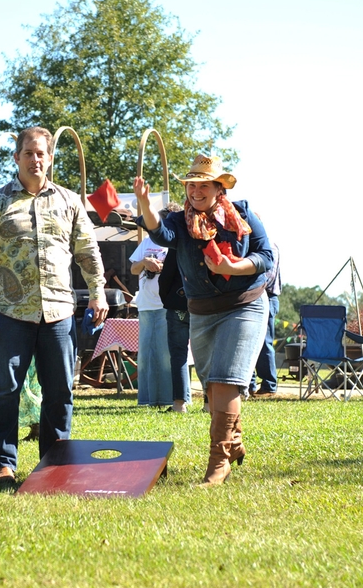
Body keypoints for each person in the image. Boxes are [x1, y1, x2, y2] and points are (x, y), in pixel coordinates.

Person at [0, 126, 108, 487]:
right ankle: (4, 465)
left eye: (42, 153)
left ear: (50, 157)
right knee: (4, 390)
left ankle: (54, 464)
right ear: (17, 158)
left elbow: (88, 251)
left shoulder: (70, 202)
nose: (35, 159)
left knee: (60, 391)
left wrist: (98, 292)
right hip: (10, 313)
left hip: (58, 312)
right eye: (29, 153)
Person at [134, 154, 273, 487]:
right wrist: (144, 203)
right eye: (191, 185)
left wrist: (232, 268)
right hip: (202, 310)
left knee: (225, 380)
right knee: (213, 385)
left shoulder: (243, 214)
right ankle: (235, 442)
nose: (196, 191)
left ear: (218, 188)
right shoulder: (181, 221)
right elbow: (160, 234)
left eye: (204, 185)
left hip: (245, 304)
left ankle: (219, 462)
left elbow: (266, 256)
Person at [129, 217, 173, 409]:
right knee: (145, 355)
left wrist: (164, 267)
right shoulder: (145, 243)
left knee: (166, 356)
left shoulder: (171, 244)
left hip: (166, 304)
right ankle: (145, 400)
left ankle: (169, 399)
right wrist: (145, 262)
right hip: (145, 305)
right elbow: (133, 269)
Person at [156, 203, 191, 413]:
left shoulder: (174, 248)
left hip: (177, 306)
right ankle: (208, 403)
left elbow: (165, 278)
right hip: (201, 306)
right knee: (206, 356)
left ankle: (179, 404)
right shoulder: (200, 243)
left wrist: (167, 301)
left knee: (178, 354)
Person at [250, 241, 282, 398]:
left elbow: (268, 276)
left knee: (264, 343)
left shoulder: (269, 245)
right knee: (248, 343)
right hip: (254, 296)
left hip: (266, 296)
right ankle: (250, 385)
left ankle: (269, 385)